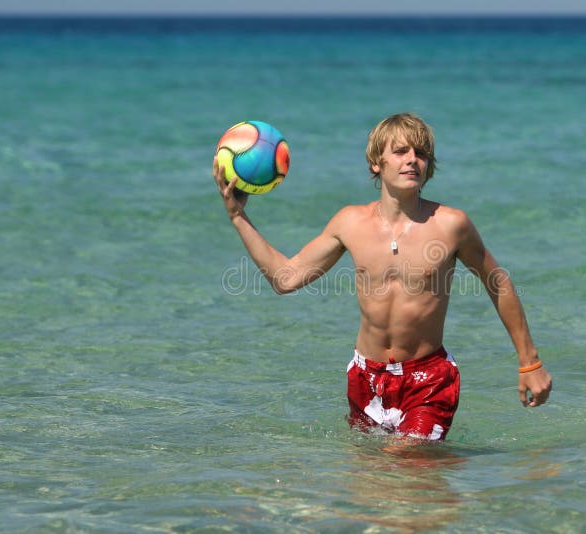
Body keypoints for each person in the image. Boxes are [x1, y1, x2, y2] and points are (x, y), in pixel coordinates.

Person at [213, 112, 552, 441]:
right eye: (401, 151)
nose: (412, 160)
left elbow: (499, 283)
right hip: (366, 377)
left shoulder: (451, 225)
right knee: (373, 484)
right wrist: (237, 216)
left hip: (427, 378)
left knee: (404, 460)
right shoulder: (350, 223)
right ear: (377, 162)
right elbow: (285, 279)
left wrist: (529, 362)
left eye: (421, 153)